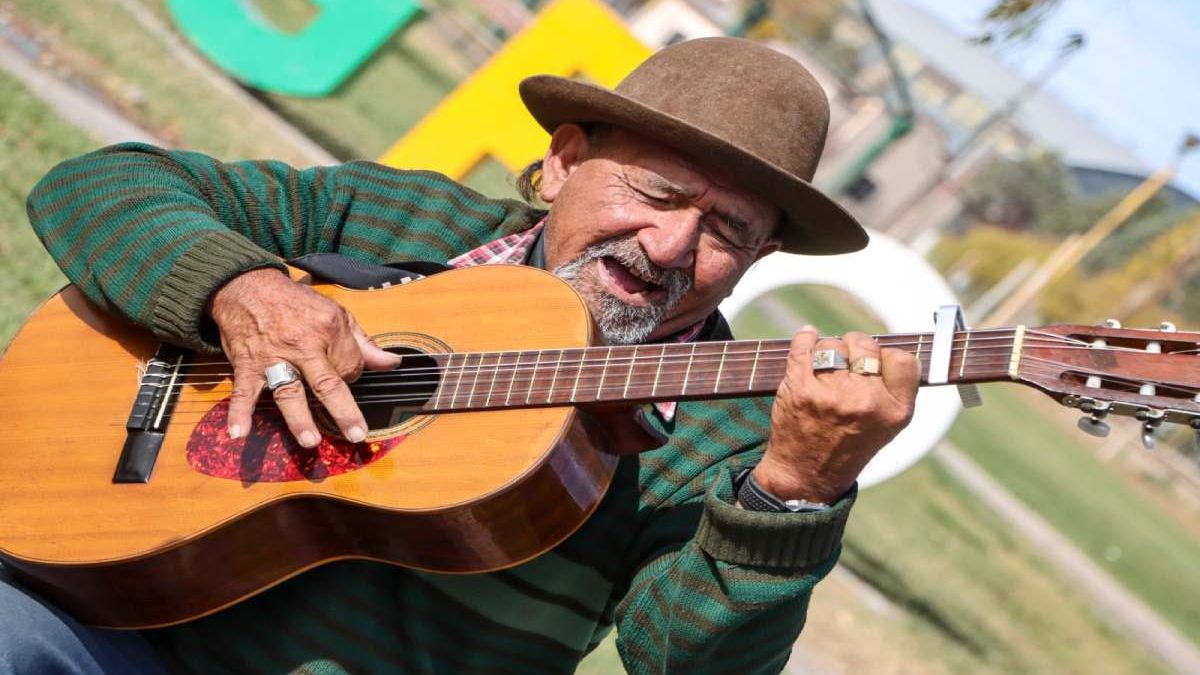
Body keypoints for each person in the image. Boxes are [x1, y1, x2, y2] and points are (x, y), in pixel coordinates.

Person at [7, 37, 917, 674]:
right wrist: (241, 292)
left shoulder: (732, 440)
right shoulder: (398, 221)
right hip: (84, 613)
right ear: (562, 161)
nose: (671, 245)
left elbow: (683, 661)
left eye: (725, 229)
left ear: (757, 258)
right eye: (655, 191)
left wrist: (792, 493)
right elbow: (104, 183)